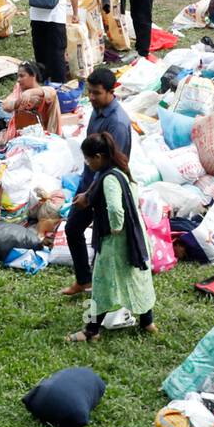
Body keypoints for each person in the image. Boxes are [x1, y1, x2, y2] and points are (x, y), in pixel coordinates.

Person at [66, 131, 157, 342]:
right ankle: (147, 322)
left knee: (101, 284)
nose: (88, 164)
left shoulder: (108, 179)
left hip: (117, 241)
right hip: (136, 235)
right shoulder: (122, 168)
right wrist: (88, 197)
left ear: (98, 157)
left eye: (88, 160)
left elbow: (116, 209)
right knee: (137, 278)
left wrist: (115, 228)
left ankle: (91, 331)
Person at [63, 68, 134, 296]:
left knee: (103, 242)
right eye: (90, 92)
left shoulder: (118, 124)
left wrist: (90, 195)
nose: (91, 97)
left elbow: (112, 169)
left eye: (96, 93)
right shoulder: (96, 110)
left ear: (110, 92)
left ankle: (106, 290)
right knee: (72, 228)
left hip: (105, 189)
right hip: (89, 182)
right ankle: (83, 280)